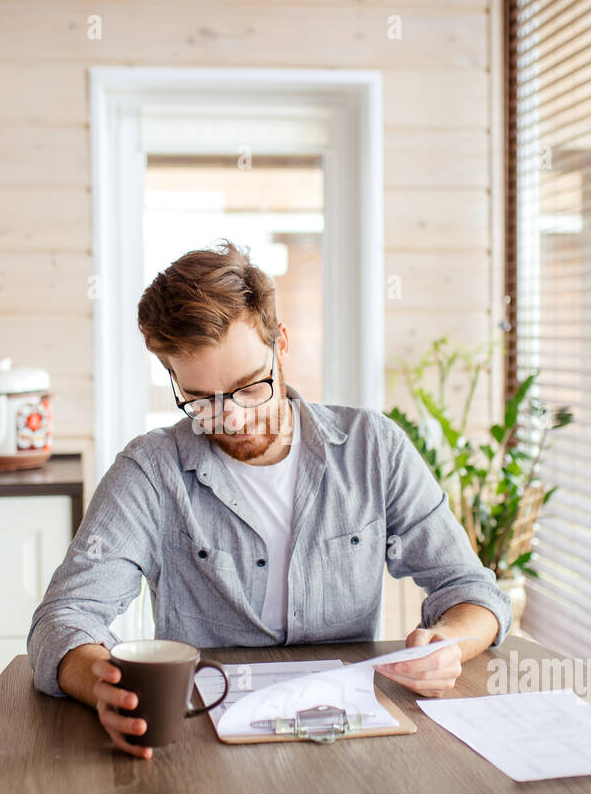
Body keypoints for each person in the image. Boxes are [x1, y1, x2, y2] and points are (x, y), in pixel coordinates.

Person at [27, 239, 511, 758]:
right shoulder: (150, 470)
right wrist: (100, 683)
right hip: (200, 742)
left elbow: (472, 590)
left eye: (250, 386)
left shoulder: (373, 447)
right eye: (201, 400)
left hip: (349, 742)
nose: (232, 418)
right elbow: (65, 616)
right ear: (174, 379)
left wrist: (448, 645)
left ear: (281, 345)